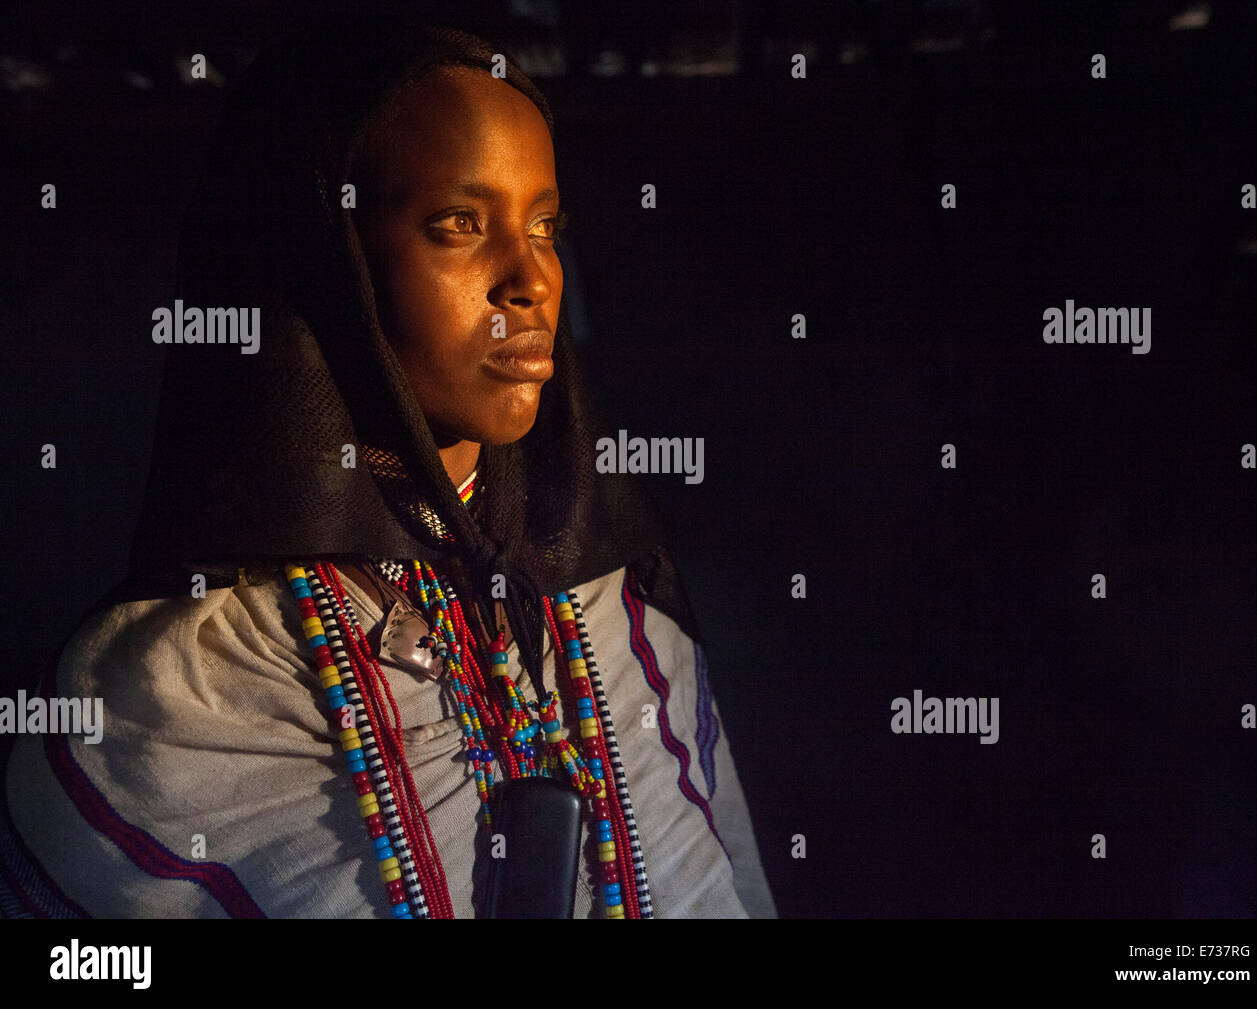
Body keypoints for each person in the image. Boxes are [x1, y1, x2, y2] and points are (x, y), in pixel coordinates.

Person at [1, 19, 776, 919]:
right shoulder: (169, 700)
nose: (531, 278)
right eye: (459, 224)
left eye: (545, 224)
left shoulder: (621, 620)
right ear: (328, 266)